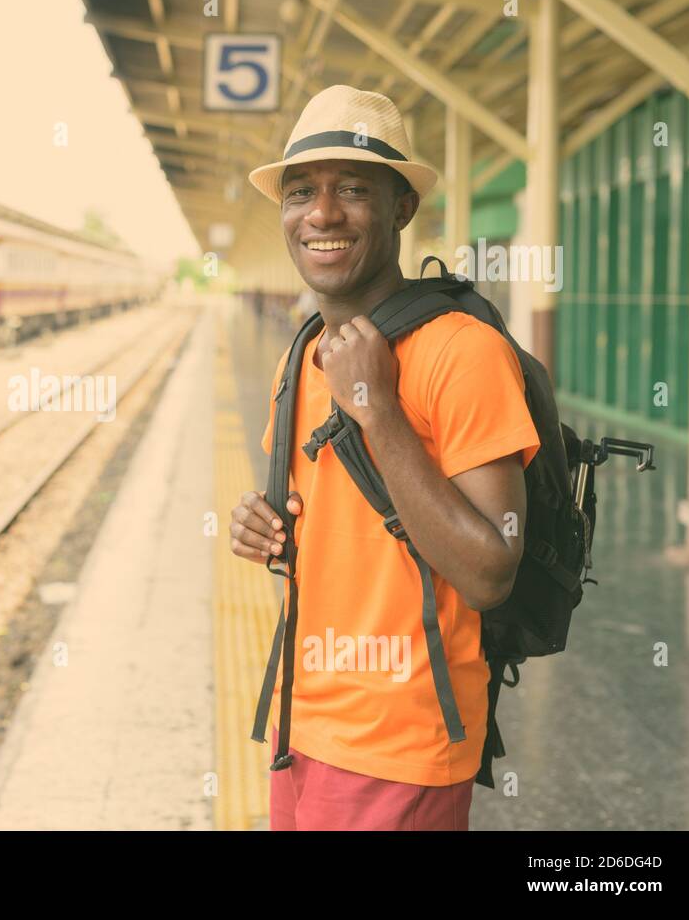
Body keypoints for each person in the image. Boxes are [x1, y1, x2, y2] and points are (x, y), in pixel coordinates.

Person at [230, 85, 541, 831]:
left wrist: (379, 410)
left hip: (400, 746)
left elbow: (492, 568)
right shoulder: (301, 355)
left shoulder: (463, 353)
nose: (323, 213)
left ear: (401, 208)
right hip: (300, 723)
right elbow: (333, 526)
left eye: (353, 190)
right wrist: (263, 526)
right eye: (301, 191)